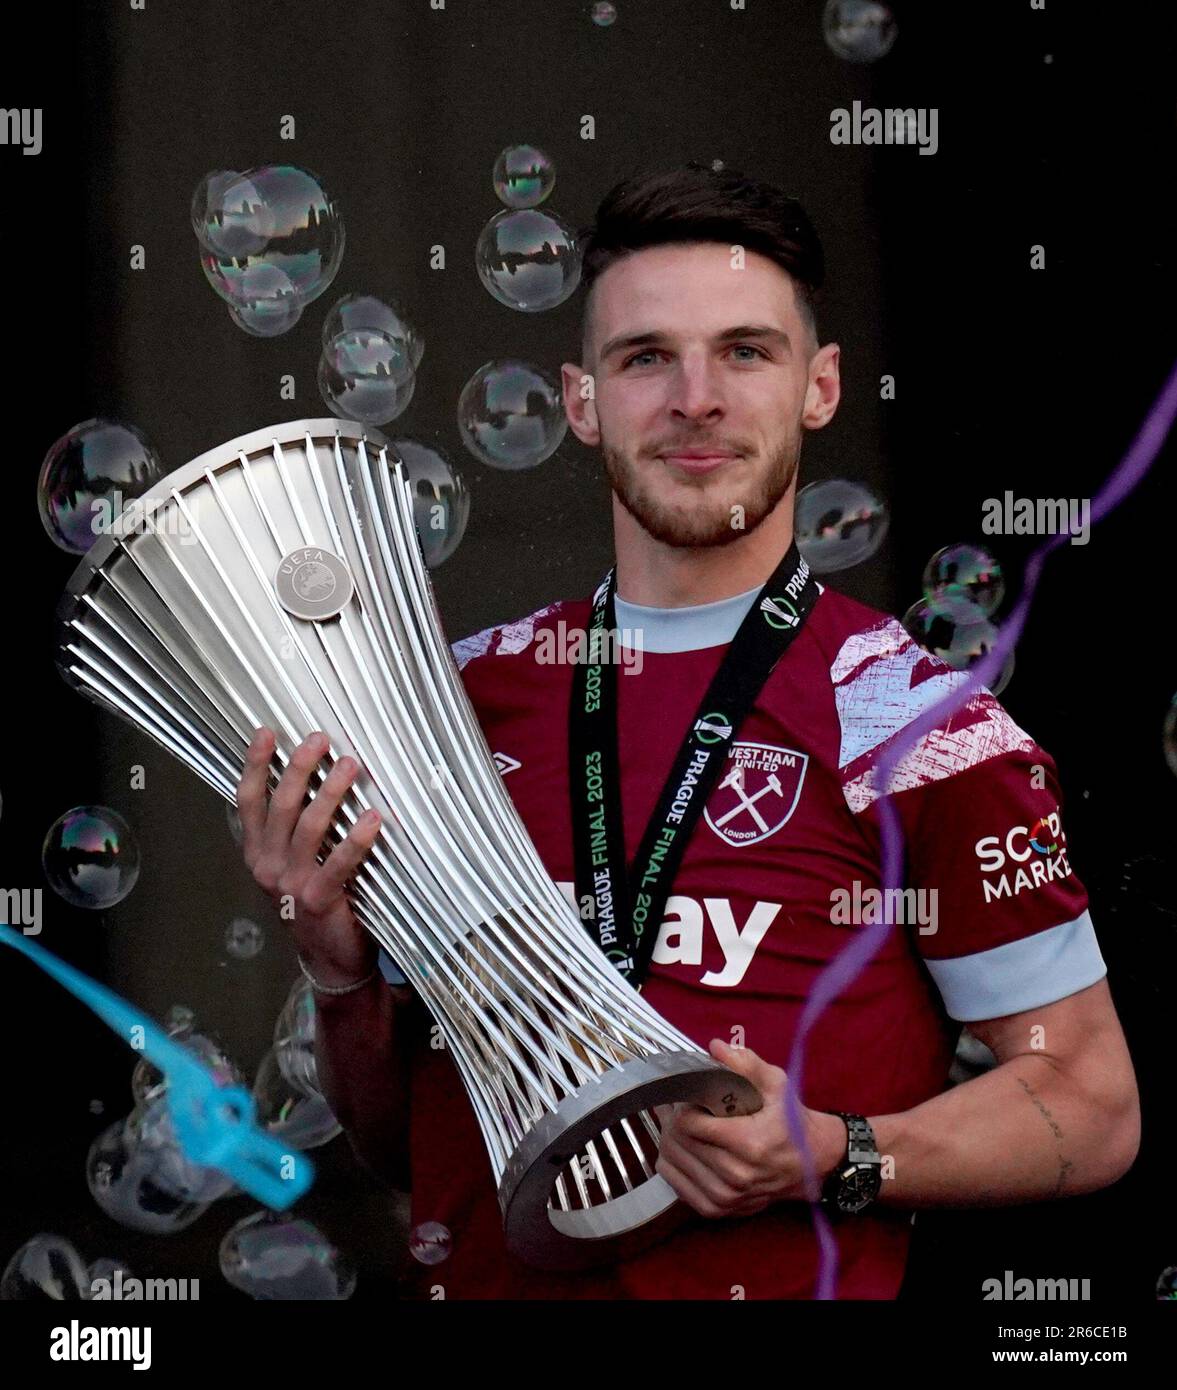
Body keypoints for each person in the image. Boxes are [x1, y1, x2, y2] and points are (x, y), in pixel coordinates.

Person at [235, 163, 1140, 1299]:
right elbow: (403, 1149)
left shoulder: (920, 722)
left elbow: (1092, 1104)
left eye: (745, 352)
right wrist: (333, 965)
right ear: (579, 400)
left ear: (820, 388)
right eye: (645, 356)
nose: (695, 397)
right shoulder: (448, 707)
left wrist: (836, 1152)